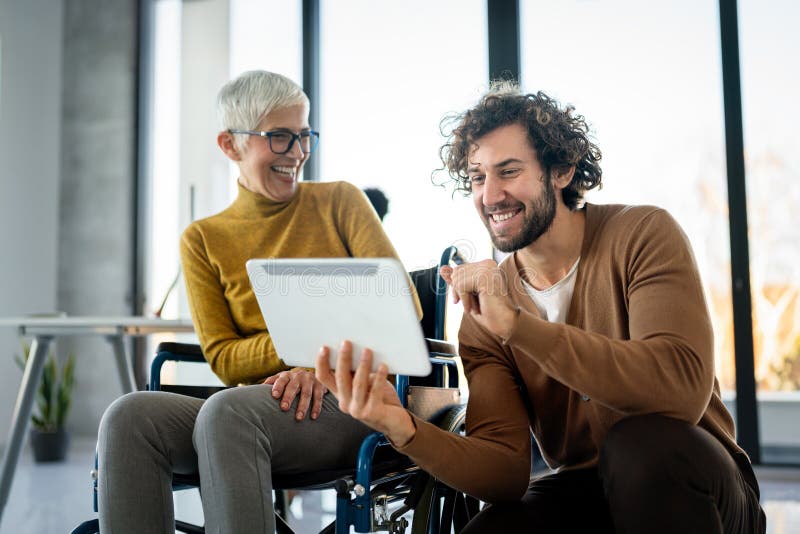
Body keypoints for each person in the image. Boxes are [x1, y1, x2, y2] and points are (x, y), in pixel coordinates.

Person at [316, 83, 766, 533]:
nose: (490, 196)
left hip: (696, 485)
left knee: (638, 449)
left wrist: (519, 327)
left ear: (562, 170)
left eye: (509, 172)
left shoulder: (643, 234)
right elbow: (504, 471)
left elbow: (679, 392)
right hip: (587, 490)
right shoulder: (486, 311)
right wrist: (402, 428)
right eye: (478, 178)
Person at [97, 70, 418, 533]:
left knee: (227, 412)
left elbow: (403, 305)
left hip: (351, 401)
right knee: (128, 416)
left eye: (305, 136)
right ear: (230, 145)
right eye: (281, 137)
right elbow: (224, 357)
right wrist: (299, 347)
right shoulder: (202, 239)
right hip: (253, 408)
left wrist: (316, 367)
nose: (298, 153)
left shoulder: (340, 202)